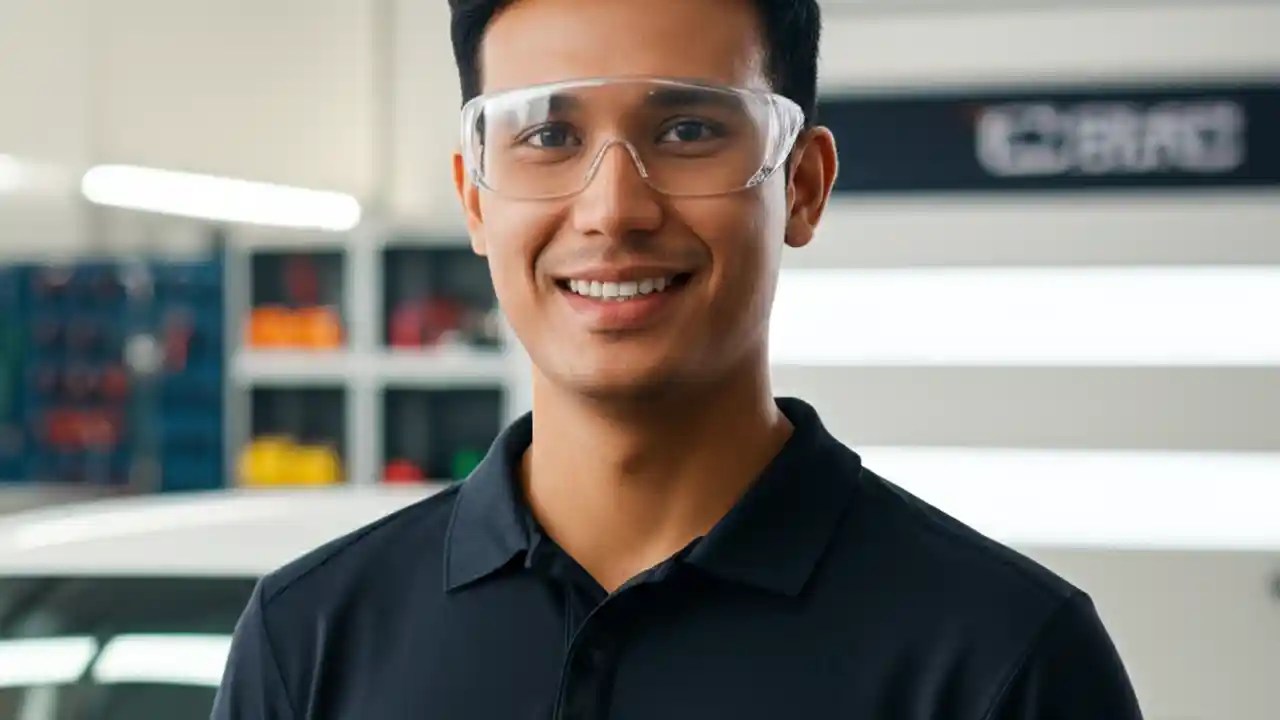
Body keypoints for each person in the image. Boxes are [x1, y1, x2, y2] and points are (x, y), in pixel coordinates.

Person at [213, 0, 1145, 717]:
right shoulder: (313, 645)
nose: (614, 207)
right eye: (548, 135)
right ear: (475, 198)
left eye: (690, 130)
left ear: (805, 187)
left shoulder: (999, 661)